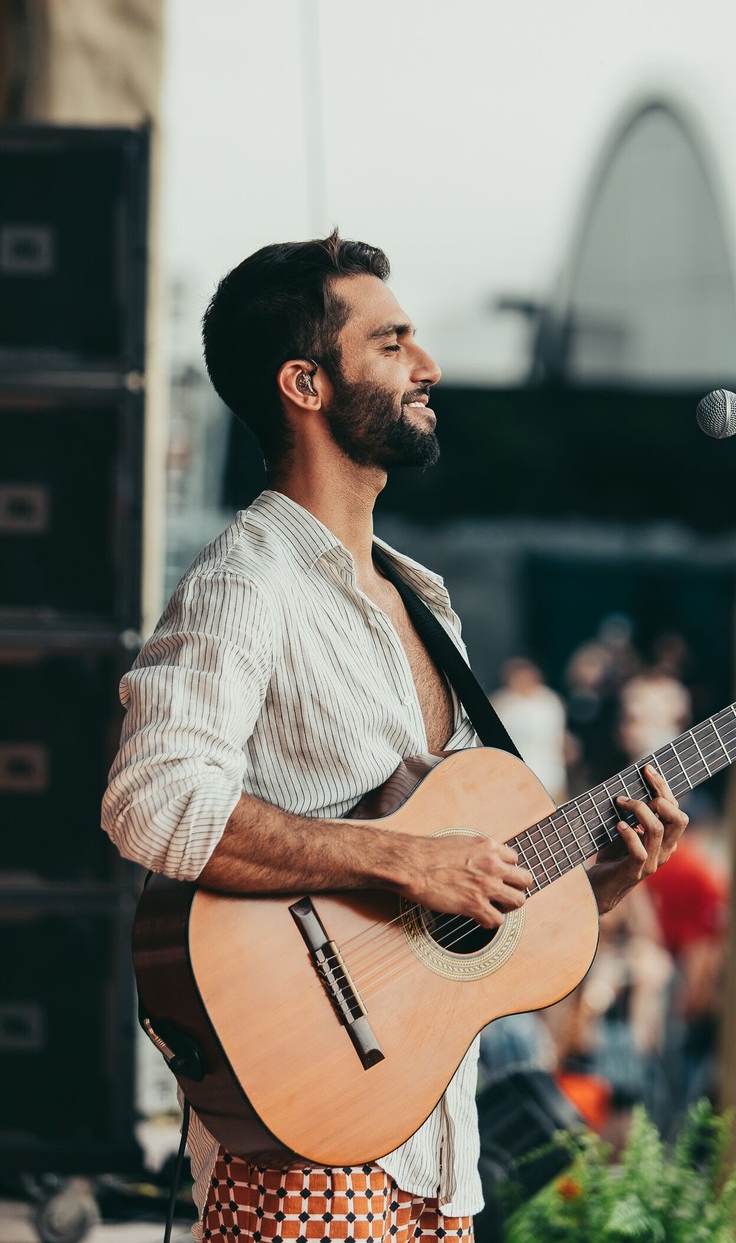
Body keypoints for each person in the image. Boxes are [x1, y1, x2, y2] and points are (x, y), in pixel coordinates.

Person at [101, 232, 689, 1243]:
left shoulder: (425, 604)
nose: (431, 367)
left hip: (430, 1138)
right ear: (306, 383)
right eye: (393, 344)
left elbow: (445, 924)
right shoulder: (250, 581)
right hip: (302, 1142)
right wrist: (409, 860)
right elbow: (151, 800)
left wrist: (585, 889)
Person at [490, 657, 569, 802]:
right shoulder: (501, 704)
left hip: (550, 774)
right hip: (514, 779)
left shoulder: (550, 700)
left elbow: (560, 736)